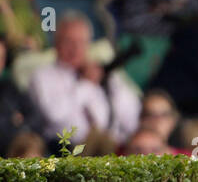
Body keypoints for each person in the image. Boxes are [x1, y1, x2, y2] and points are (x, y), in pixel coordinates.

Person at [28, 12, 140, 145]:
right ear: (56, 43)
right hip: (66, 149)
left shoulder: (100, 71)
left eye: (81, 42)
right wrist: (85, 84)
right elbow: (55, 116)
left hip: (110, 146)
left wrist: (107, 80)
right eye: (68, 42)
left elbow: (132, 114)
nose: (75, 49)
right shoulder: (43, 76)